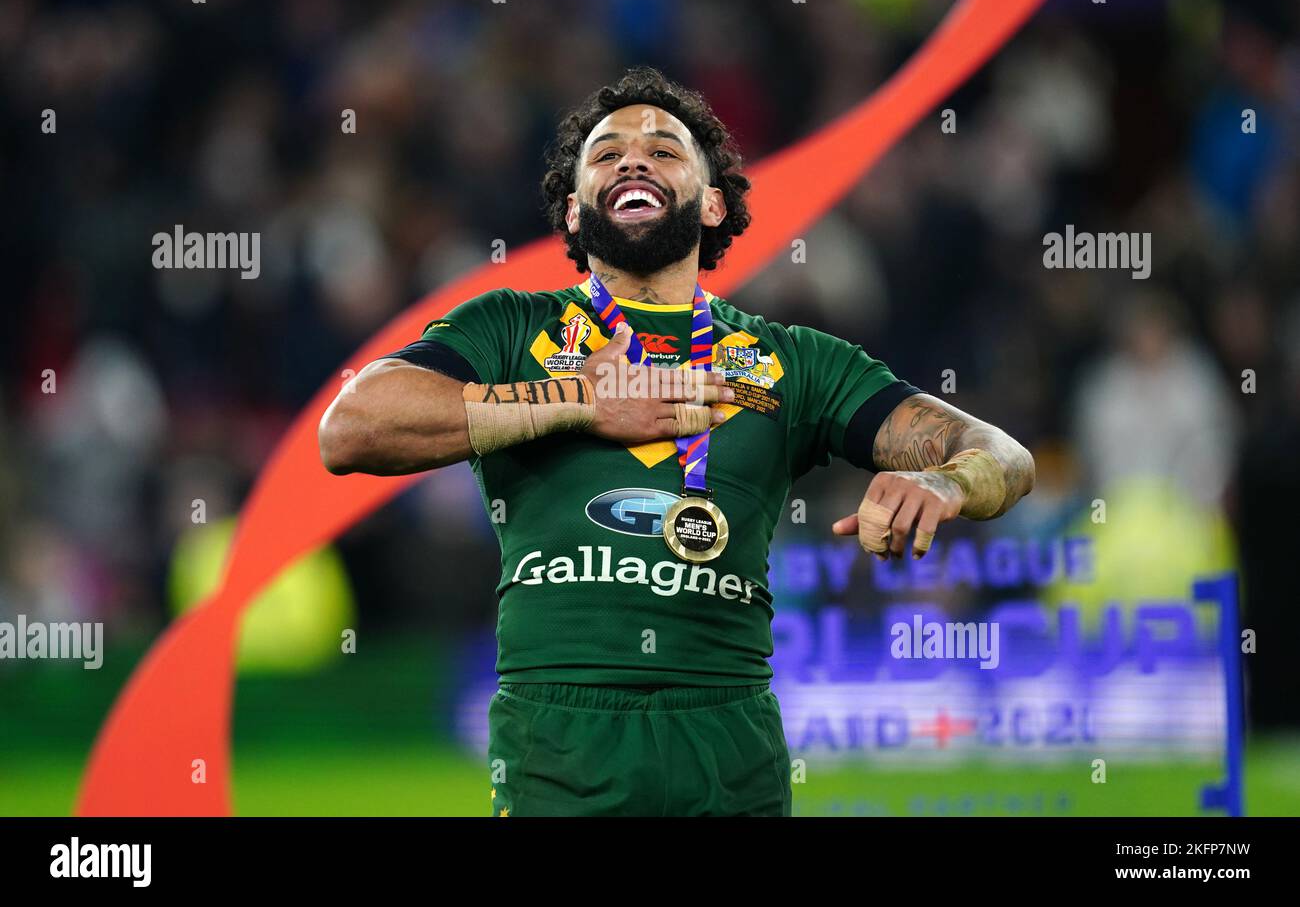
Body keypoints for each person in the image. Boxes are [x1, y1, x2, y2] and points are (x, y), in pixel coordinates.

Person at [317, 67, 1035, 816]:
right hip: (559, 745)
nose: (633, 160)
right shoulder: (509, 327)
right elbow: (352, 428)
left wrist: (944, 482)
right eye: (606, 154)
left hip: (731, 747)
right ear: (573, 211)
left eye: (664, 150)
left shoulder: (793, 361)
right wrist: (574, 401)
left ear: (713, 201)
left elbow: (1005, 456)